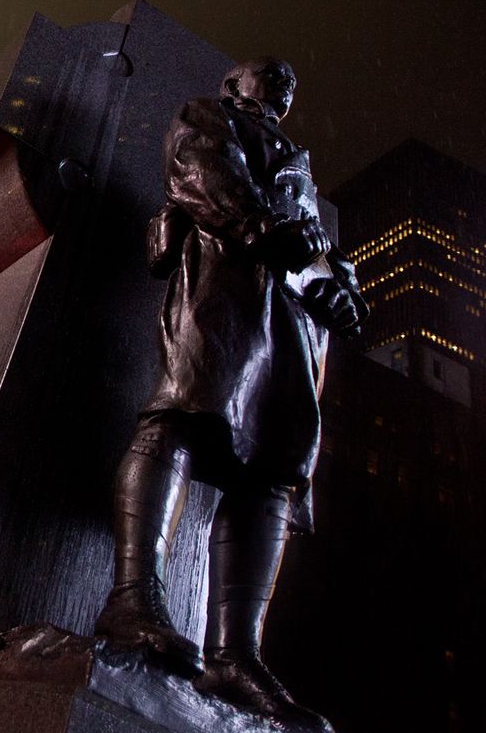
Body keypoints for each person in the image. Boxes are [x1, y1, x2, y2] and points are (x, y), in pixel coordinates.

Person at [93, 59, 366, 733]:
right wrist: (259, 225)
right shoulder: (207, 115)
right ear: (231, 84)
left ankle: (235, 654)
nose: (279, 81)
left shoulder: (298, 162)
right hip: (224, 282)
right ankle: (133, 597)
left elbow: (317, 246)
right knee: (182, 413)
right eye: (261, 74)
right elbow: (197, 171)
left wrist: (339, 287)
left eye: (285, 80)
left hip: (292, 323)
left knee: (276, 471)